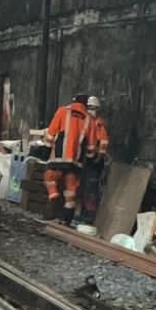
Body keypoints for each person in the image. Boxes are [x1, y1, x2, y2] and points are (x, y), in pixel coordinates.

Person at [42, 94, 91, 226]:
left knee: (50, 178)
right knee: (71, 191)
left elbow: (51, 132)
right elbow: (91, 144)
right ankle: (66, 219)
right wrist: (91, 158)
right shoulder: (88, 119)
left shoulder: (63, 111)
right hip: (76, 161)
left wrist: (45, 149)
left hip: (59, 157)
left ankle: (53, 198)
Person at [78, 95, 110, 230]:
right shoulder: (87, 122)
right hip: (88, 159)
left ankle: (89, 216)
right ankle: (84, 213)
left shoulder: (98, 123)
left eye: (93, 108)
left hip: (94, 161)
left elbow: (103, 143)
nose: (92, 110)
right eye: (90, 108)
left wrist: (98, 157)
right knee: (84, 187)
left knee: (90, 188)